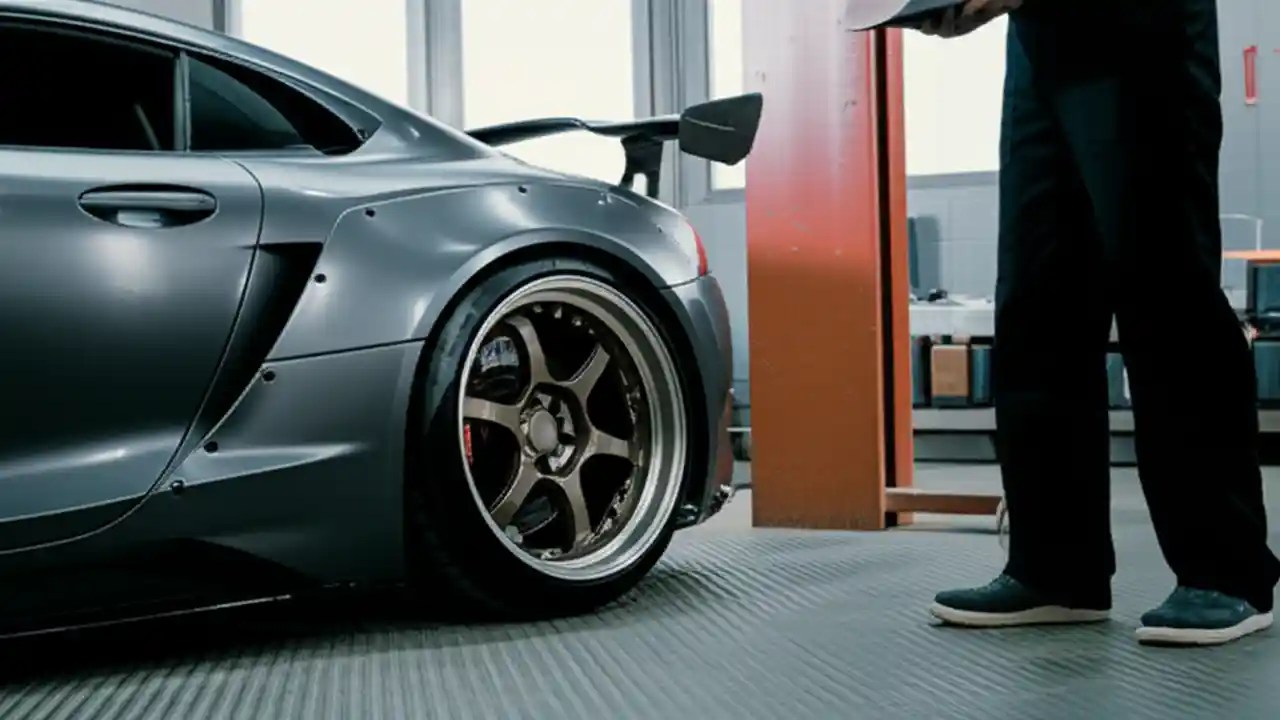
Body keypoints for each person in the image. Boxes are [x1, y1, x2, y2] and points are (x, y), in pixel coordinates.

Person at [921, 0, 1280, 646]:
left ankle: (1226, 574)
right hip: (1039, 38)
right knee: (1037, 296)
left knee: (1162, 282)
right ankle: (1058, 568)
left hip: (1144, 33)